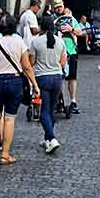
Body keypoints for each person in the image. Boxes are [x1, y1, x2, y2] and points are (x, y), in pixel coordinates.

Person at [0, 15, 39, 166]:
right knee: (9, 118)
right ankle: (5, 154)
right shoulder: (19, 41)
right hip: (15, 81)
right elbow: (26, 66)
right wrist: (35, 84)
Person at [29, 14, 67, 154]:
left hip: (42, 78)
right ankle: (47, 139)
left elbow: (31, 62)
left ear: (41, 27)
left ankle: (52, 138)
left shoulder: (36, 42)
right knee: (51, 109)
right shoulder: (60, 41)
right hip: (57, 77)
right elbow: (63, 63)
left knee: (43, 111)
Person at [53, 0, 83, 114]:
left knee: (72, 77)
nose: (58, 9)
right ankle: (58, 101)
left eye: (60, 6)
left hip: (71, 51)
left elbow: (80, 32)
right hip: (57, 52)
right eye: (56, 7)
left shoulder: (70, 18)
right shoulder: (52, 19)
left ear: (63, 6)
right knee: (58, 77)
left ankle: (73, 101)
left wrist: (72, 29)